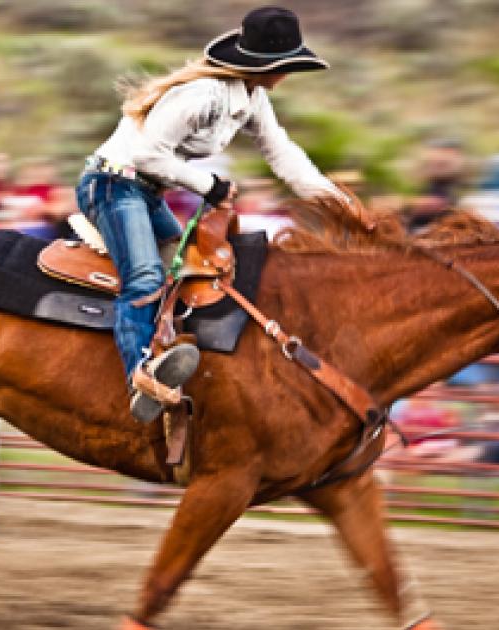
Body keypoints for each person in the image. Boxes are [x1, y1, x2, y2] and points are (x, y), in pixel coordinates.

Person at [78, 6, 342, 422]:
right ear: (268, 65)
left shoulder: (252, 99)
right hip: (113, 185)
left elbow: (283, 154)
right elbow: (147, 154)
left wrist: (338, 204)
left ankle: (163, 351)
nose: (288, 75)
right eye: (287, 66)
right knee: (145, 275)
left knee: (183, 269)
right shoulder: (200, 96)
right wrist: (210, 186)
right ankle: (140, 374)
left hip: (145, 192)